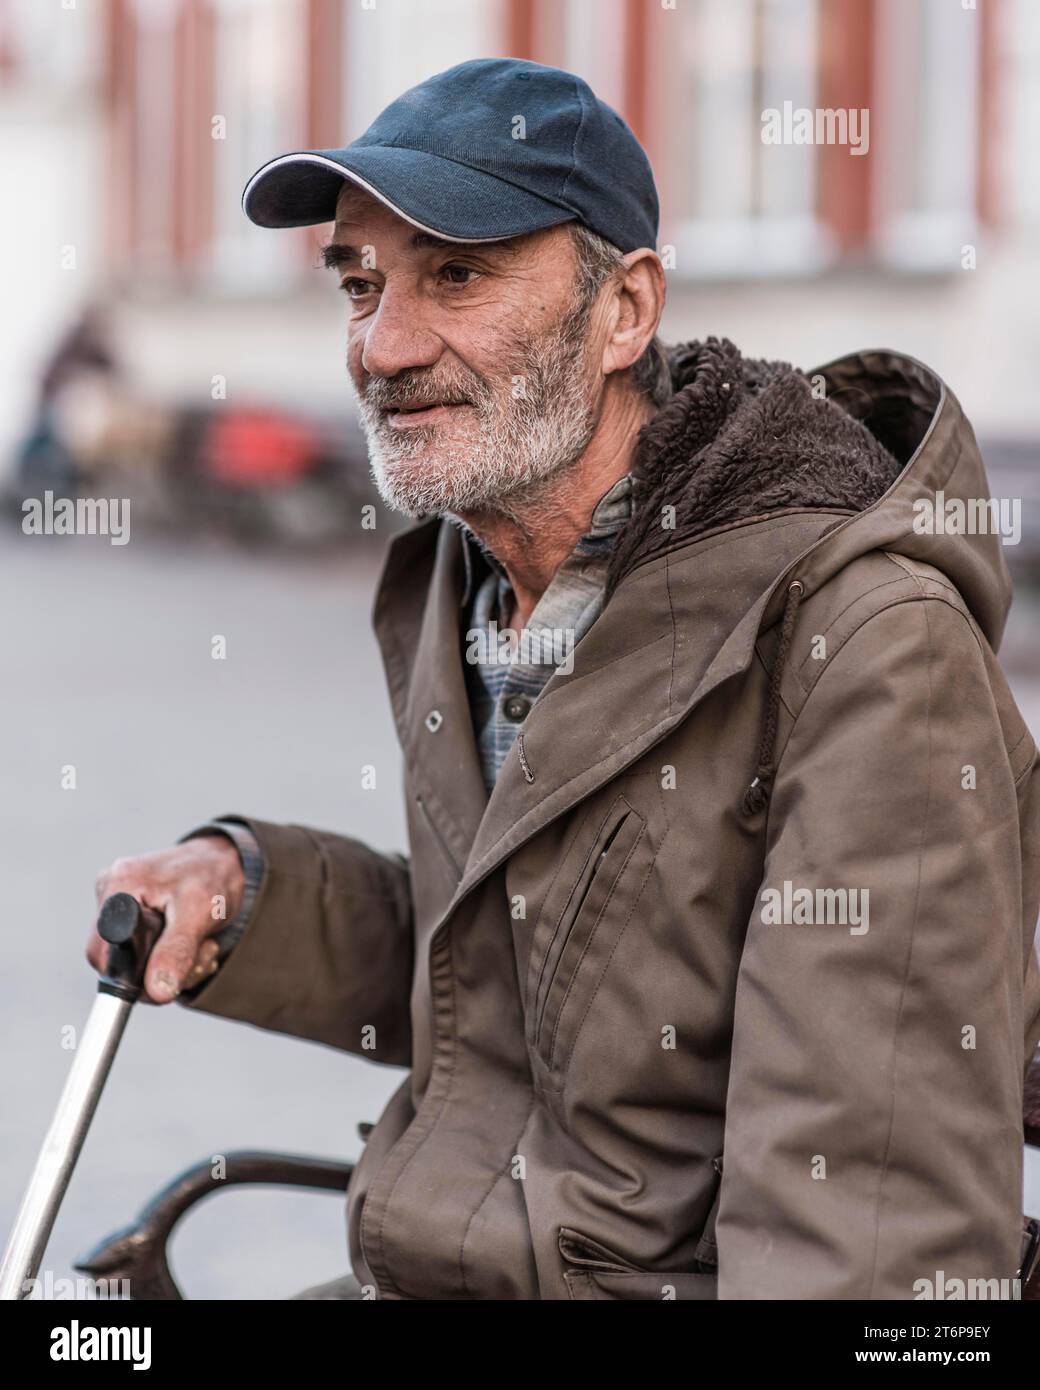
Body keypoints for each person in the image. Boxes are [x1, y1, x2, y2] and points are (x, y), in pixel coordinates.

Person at [88, 58, 1040, 1301]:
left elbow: (865, 1232)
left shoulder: (867, 649)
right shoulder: (481, 574)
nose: (383, 345)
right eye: (361, 283)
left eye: (458, 275)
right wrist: (250, 896)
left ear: (623, 312)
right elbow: (538, 967)